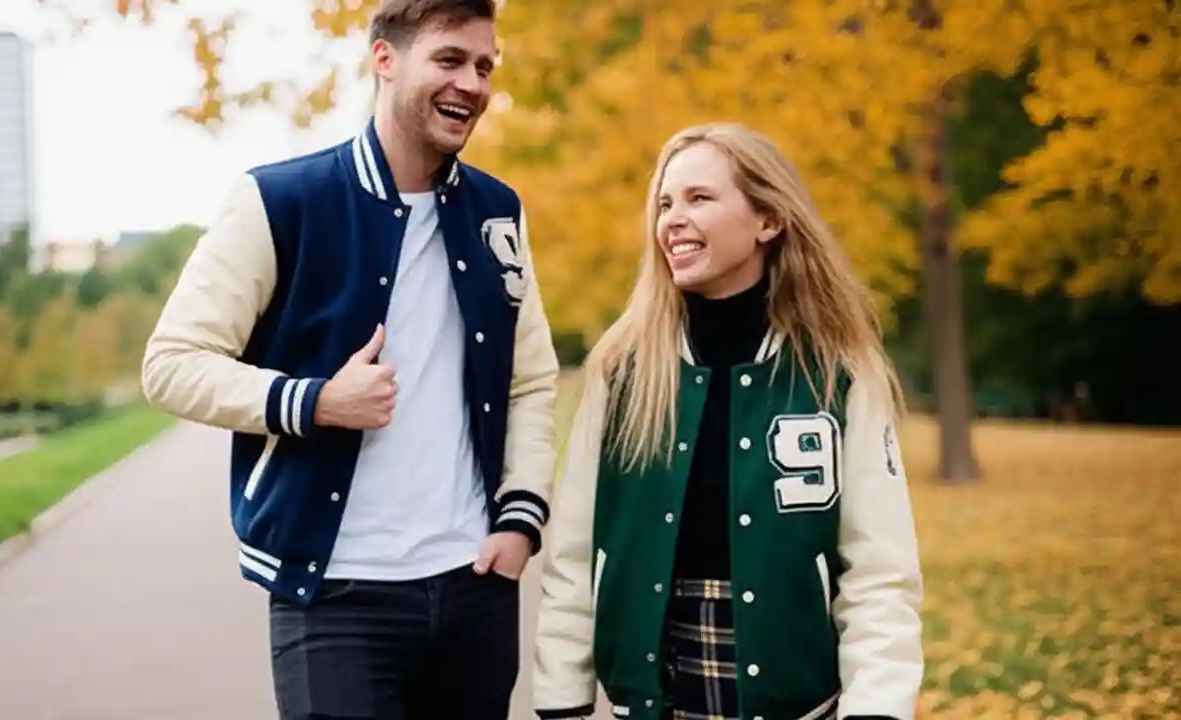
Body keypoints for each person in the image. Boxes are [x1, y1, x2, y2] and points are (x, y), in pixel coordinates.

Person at [141, 1, 560, 718]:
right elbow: (173, 363)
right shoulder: (279, 201)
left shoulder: (498, 211)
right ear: (384, 58)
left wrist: (520, 522)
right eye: (450, 60)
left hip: (475, 590)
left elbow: (531, 382)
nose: (473, 84)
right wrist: (313, 402)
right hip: (333, 598)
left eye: (485, 66)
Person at [532, 122, 923, 720]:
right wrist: (563, 699)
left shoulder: (838, 372)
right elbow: (573, 556)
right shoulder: (622, 368)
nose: (672, 219)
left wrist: (876, 708)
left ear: (768, 220)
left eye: (699, 198)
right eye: (665, 203)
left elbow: (879, 575)